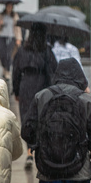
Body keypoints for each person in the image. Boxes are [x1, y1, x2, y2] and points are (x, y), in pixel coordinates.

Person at [12, 22, 57, 166]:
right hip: (42, 86)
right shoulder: (47, 50)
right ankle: (41, 148)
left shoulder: (22, 50)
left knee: (26, 119)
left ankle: (29, 151)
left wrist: (17, 90)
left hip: (26, 86)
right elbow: (52, 71)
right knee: (42, 118)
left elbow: (16, 72)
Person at [0, 3, 20, 80]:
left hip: (12, 37)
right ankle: (4, 68)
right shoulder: (0, 15)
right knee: (2, 54)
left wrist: (18, 38)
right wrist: (0, 23)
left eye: (11, 6)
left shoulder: (15, 15)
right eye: (8, 6)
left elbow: (18, 27)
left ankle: (8, 71)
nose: (9, 8)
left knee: (9, 54)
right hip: (2, 36)